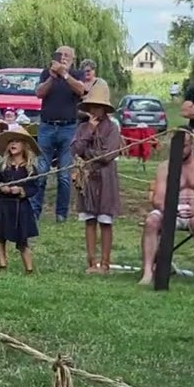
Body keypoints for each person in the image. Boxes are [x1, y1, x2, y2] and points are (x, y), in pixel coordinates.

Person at [140, 131, 194, 289]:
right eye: (176, 147)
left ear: (193, 145)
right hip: (171, 208)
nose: (180, 150)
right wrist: (168, 210)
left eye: (184, 146)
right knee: (151, 221)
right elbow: (158, 198)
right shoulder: (165, 167)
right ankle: (148, 272)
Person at [31, 46, 90, 221]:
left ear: (73, 58)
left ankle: (61, 214)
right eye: (60, 55)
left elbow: (81, 90)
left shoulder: (77, 74)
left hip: (68, 128)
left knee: (64, 174)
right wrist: (52, 76)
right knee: (41, 171)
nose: (63, 58)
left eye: (67, 55)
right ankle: (35, 212)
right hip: (47, 127)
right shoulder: (46, 74)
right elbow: (39, 93)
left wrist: (64, 74)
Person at [71, 83, 122, 273]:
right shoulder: (83, 127)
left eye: (98, 107)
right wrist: (89, 132)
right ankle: (91, 262)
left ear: (105, 109)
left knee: (105, 220)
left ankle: (106, 263)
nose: (94, 110)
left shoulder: (112, 128)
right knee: (89, 219)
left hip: (106, 178)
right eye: (92, 106)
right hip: (87, 179)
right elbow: (76, 149)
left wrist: (89, 153)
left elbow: (108, 155)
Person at [0, 126, 39, 273]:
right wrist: (0, 187)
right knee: (0, 237)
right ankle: (2, 266)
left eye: (17, 141)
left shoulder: (30, 170)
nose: (13, 145)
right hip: (2, 206)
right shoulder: (3, 167)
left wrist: (21, 190)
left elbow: (34, 188)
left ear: (24, 146)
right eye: (11, 142)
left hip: (20, 208)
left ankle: (29, 269)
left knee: (22, 241)